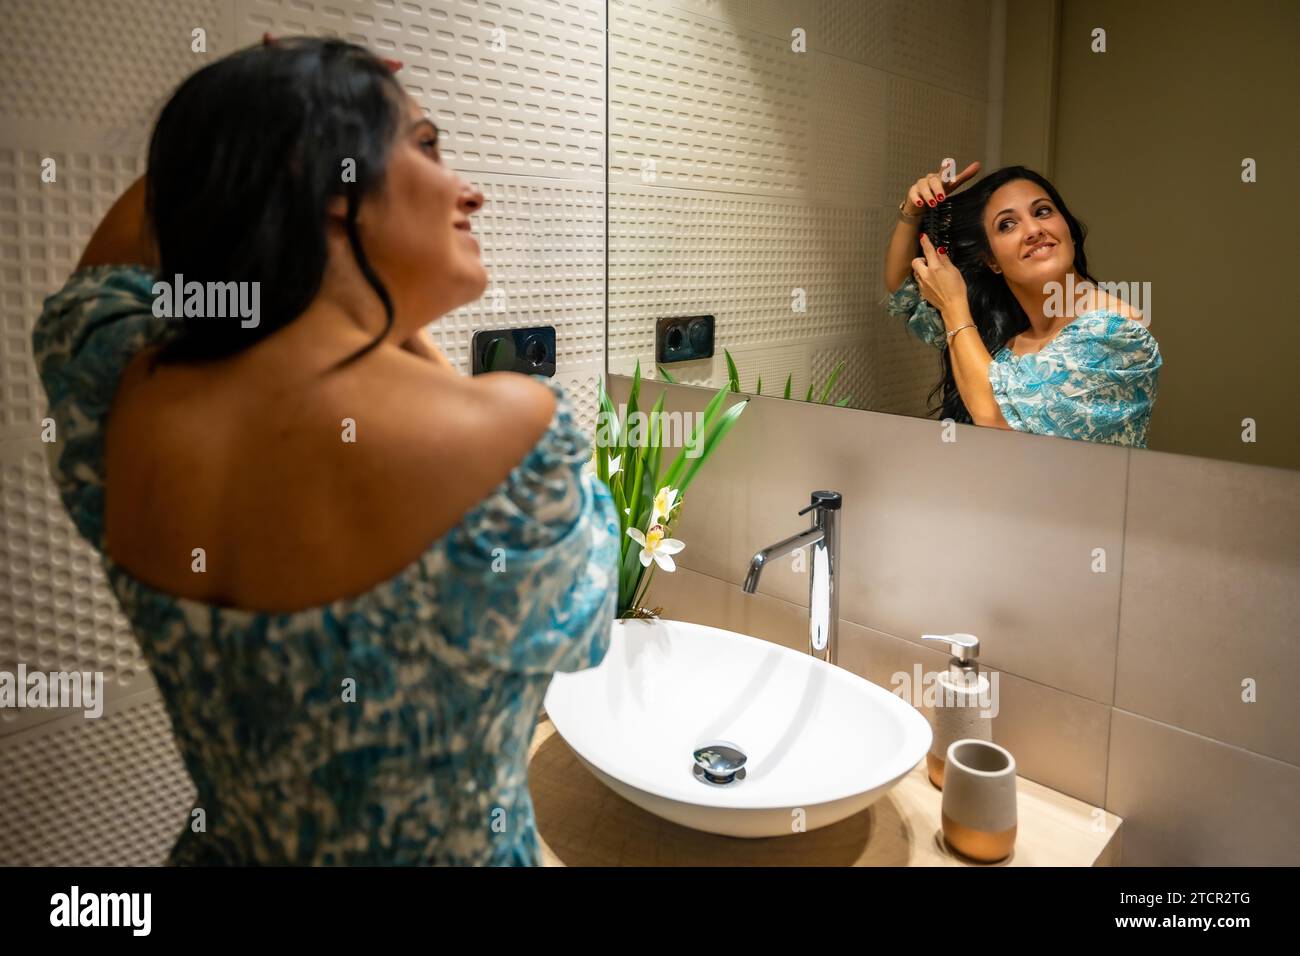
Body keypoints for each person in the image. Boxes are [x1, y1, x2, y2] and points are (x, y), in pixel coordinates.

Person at [29, 36, 619, 865]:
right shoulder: (512, 434)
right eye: (427, 145)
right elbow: (589, 634)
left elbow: (96, 289)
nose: (471, 191)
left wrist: (255, 120)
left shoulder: (123, 398)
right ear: (333, 183)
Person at [883, 161, 1162, 448]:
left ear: (1068, 231)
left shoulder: (1114, 329)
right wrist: (913, 211)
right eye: (1007, 225)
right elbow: (906, 288)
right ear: (991, 261)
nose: (1033, 230)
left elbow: (998, 419)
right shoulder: (1001, 330)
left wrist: (954, 307)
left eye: (1042, 211)